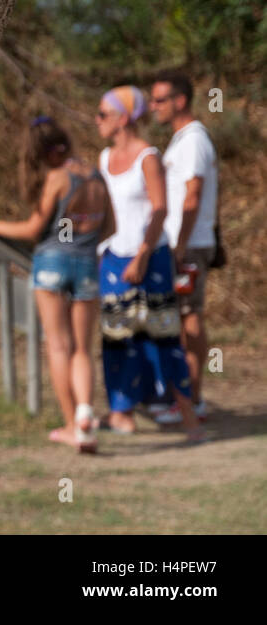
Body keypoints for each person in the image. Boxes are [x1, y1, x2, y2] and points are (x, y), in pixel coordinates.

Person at [0, 116, 110, 453]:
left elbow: (34, 229)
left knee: (58, 346)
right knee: (82, 348)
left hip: (52, 264)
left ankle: (70, 425)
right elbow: (111, 226)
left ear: (41, 152)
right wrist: (86, 245)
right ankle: (86, 413)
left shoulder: (57, 178)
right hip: (88, 263)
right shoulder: (95, 176)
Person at [94, 85, 204, 441]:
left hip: (150, 256)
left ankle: (187, 415)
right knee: (117, 337)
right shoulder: (103, 158)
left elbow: (160, 207)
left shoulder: (148, 157)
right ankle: (121, 411)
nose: (97, 121)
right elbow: (107, 211)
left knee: (162, 335)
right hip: (115, 258)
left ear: (123, 118)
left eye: (103, 114)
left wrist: (142, 254)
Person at [150, 71, 217, 422]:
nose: (152, 107)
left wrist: (179, 245)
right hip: (182, 242)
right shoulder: (181, 140)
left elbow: (191, 197)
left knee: (189, 316)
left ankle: (192, 398)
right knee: (181, 316)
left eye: (159, 100)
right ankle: (184, 396)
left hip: (187, 245)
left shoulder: (192, 141)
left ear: (180, 101)